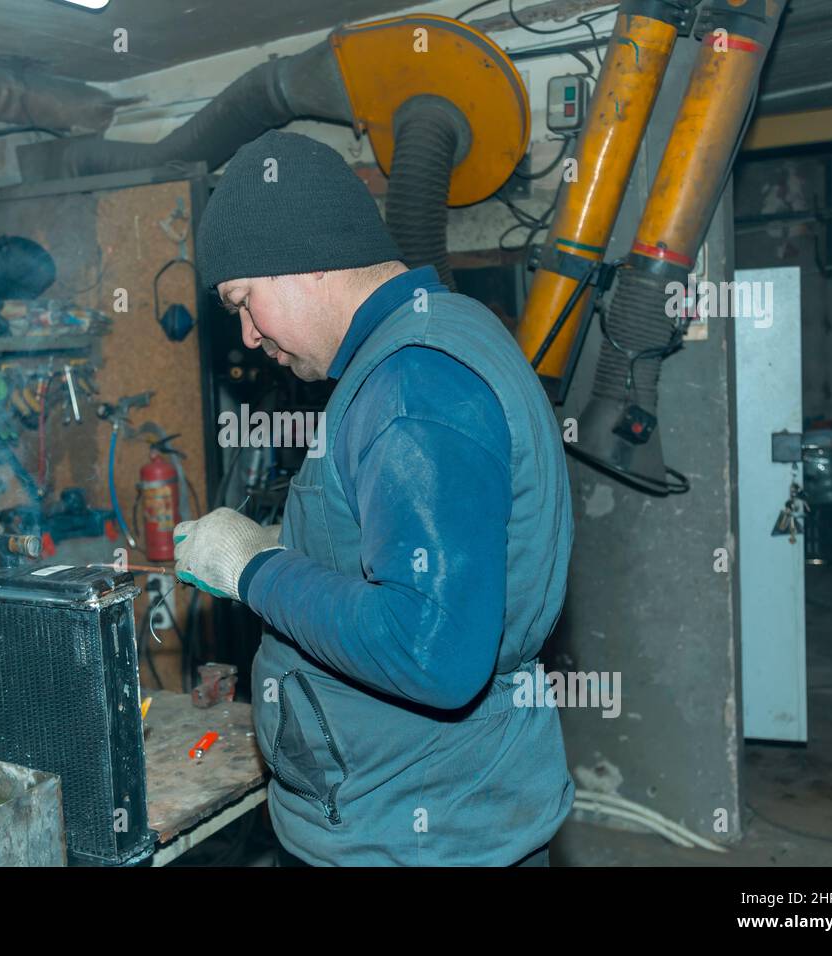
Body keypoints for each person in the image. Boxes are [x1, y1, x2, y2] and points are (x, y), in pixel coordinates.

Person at [175, 130, 574, 866]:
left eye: (244, 301)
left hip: (417, 836)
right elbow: (400, 556)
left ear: (305, 259)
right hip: (441, 809)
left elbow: (432, 651)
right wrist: (278, 545)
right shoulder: (438, 336)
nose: (249, 334)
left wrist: (253, 572)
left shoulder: (411, 385)